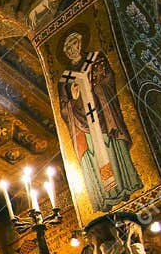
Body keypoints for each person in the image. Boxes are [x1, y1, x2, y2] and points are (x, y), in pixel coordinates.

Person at [56, 30, 141, 208]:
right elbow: (64, 107)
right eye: (67, 48)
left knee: (112, 149)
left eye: (74, 44)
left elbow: (110, 79)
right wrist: (72, 99)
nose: (71, 49)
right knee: (92, 155)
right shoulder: (64, 79)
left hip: (103, 114)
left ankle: (126, 186)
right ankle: (105, 196)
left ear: (80, 44)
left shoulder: (96, 59)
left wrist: (95, 89)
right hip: (83, 123)